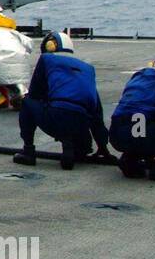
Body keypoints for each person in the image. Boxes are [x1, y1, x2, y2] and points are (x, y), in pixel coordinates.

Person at [13, 32, 113, 169]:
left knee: (27, 102)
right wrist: (103, 147)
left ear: (49, 46)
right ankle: (72, 147)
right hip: (81, 123)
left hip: (58, 118)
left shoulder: (46, 59)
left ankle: (28, 152)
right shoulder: (88, 68)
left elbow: (35, 94)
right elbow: (96, 112)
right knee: (82, 150)